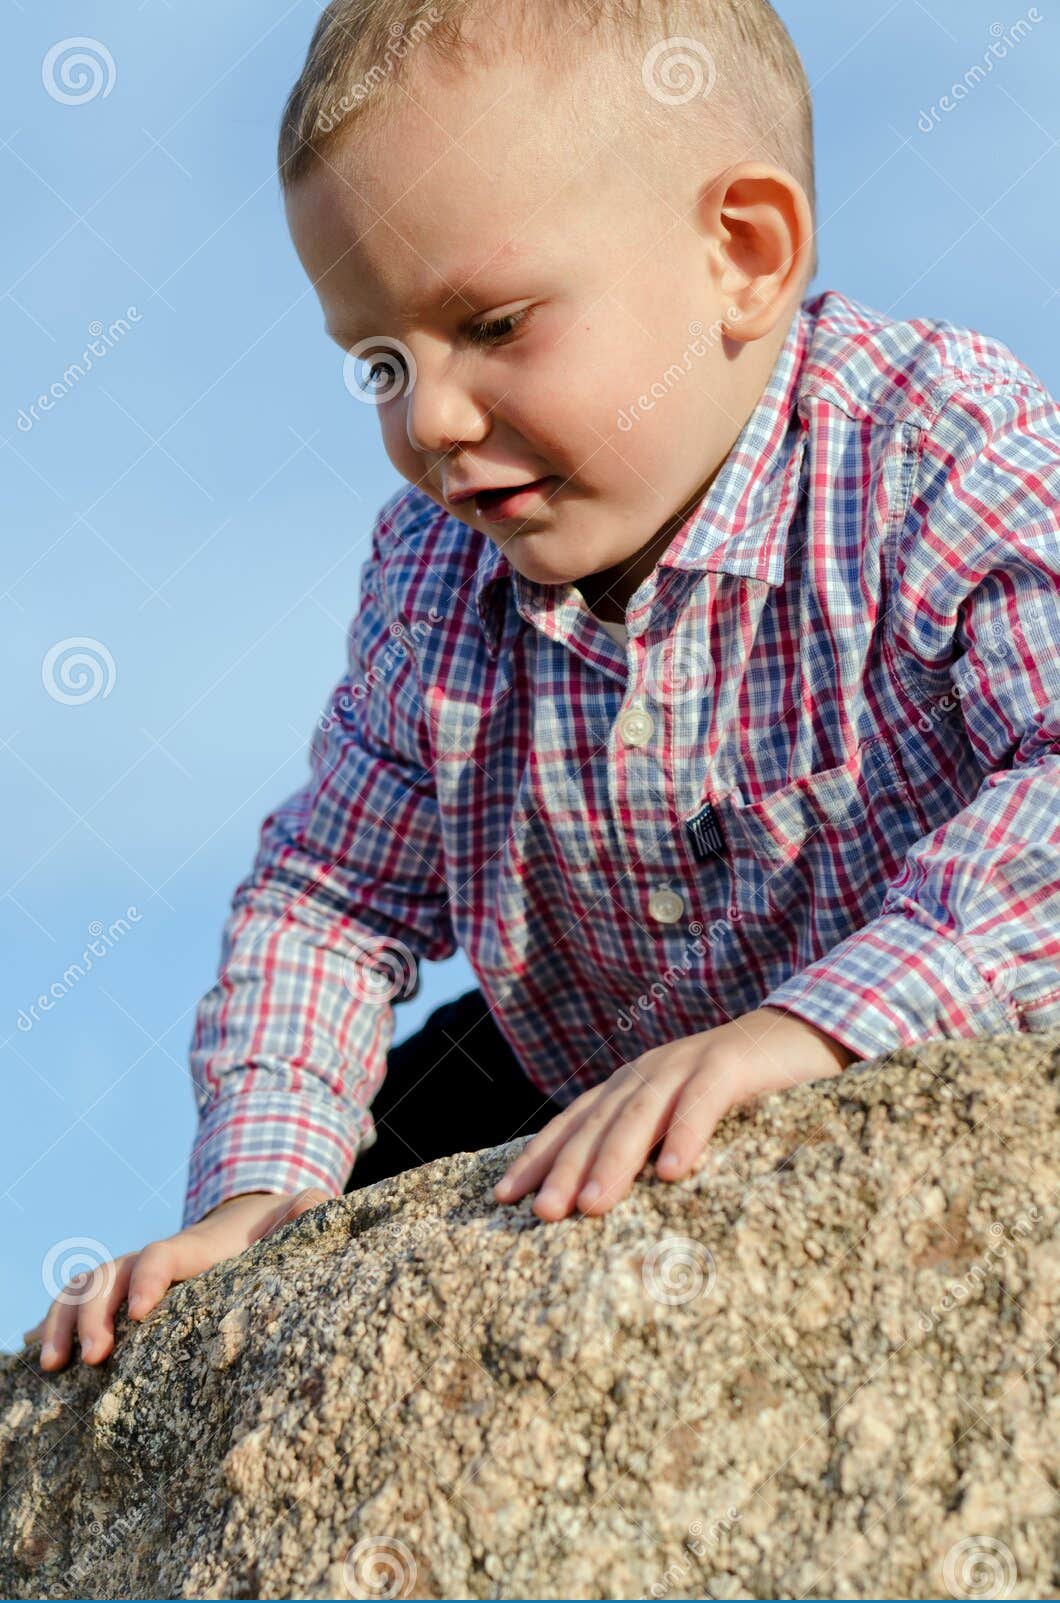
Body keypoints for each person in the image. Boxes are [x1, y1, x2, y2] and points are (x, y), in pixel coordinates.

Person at [26, 0, 1060, 1372]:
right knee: (387, 1162)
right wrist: (259, 1194)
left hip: (943, 1010)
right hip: (579, 1066)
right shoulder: (436, 571)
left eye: (493, 322)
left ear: (741, 257)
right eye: (382, 363)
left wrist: (811, 1026)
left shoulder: (935, 443)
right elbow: (328, 899)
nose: (429, 422)